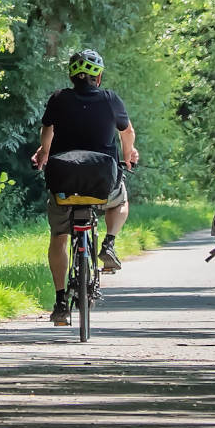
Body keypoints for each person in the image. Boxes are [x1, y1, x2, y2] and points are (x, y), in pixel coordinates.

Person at [29, 48, 138, 326]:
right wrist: (128, 156)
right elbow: (127, 132)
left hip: (63, 180)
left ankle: (60, 300)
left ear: (71, 75)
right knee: (120, 200)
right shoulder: (111, 99)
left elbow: (48, 130)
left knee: (58, 235)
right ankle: (110, 243)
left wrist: (43, 153)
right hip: (101, 181)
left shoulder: (58, 99)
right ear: (98, 77)